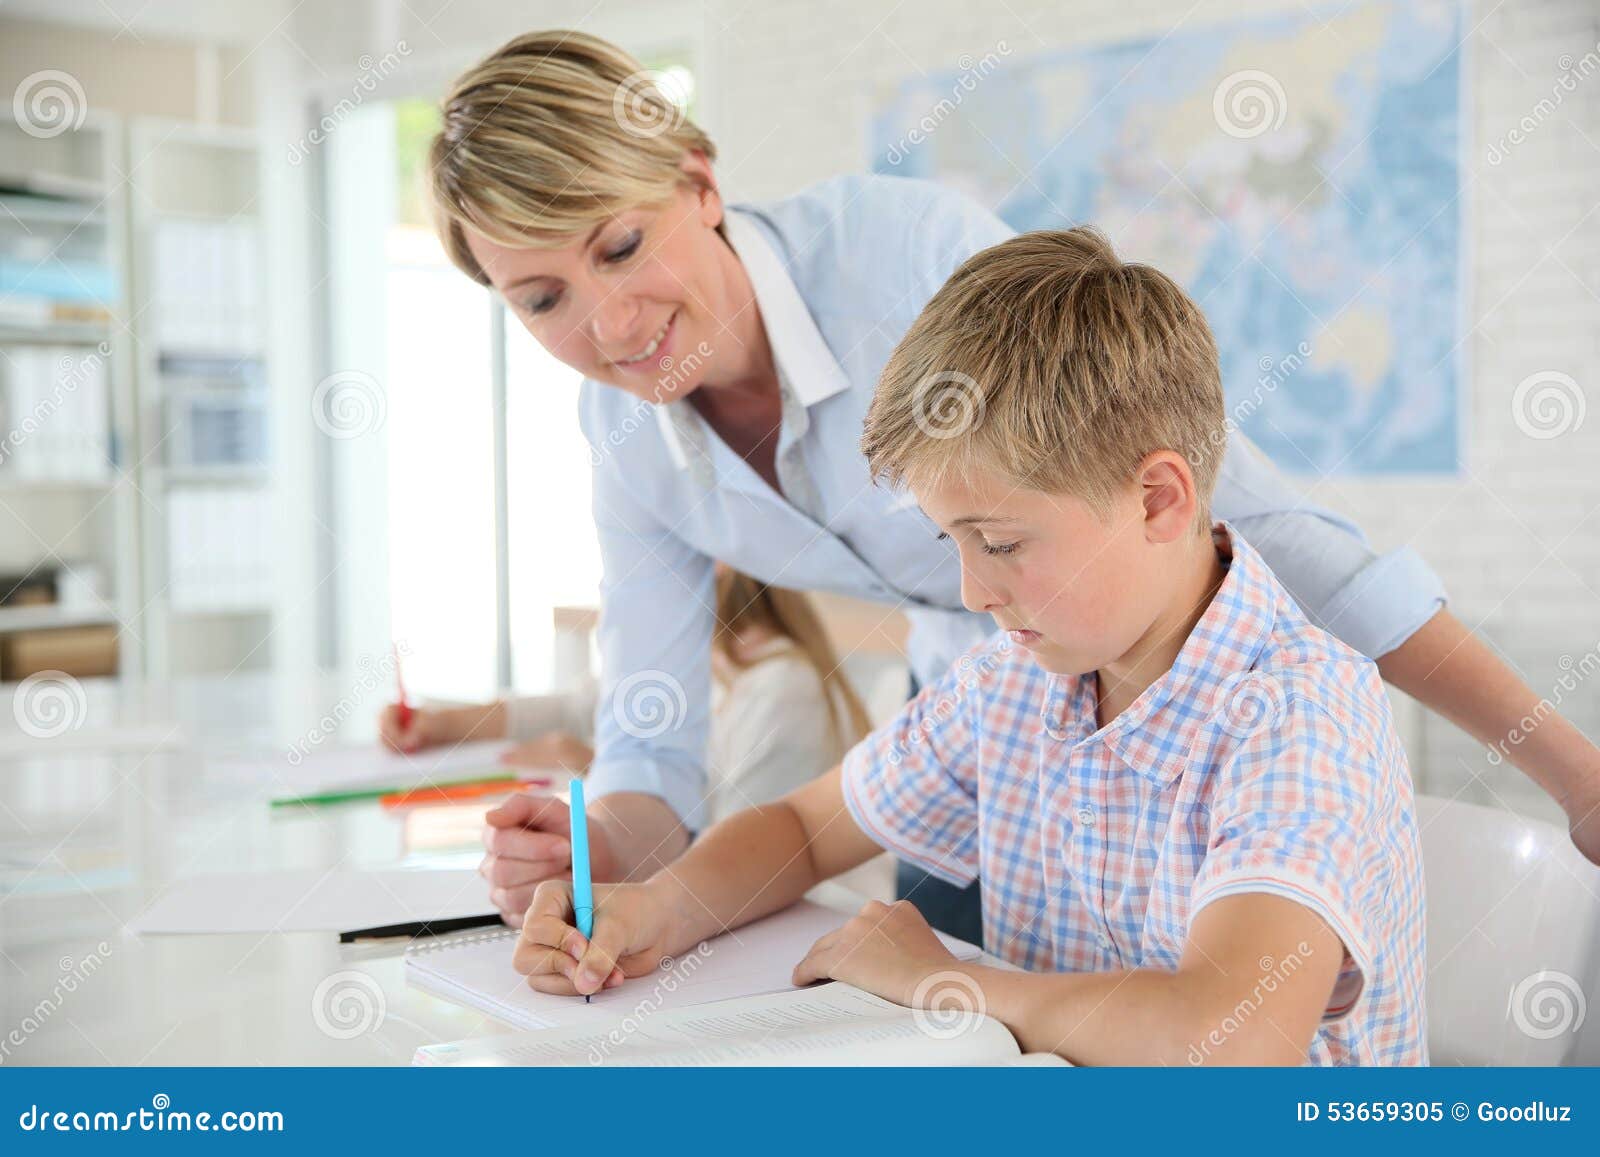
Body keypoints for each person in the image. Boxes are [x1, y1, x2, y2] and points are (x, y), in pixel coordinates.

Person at [430, 31, 1600, 938]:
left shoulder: (901, 261)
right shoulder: (625, 440)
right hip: (973, 731)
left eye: (621, 247)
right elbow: (654, 738)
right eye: (541, 299)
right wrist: (591, 859)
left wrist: (1577, 777)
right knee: (957, 1039)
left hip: (1168, 728)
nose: (609, 323)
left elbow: (1269, 529)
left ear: (697, 184)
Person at [512, 228, 1426, 1065]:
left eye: (1001, 543)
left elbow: (1227, 1039)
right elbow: (800, 827)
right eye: (952, 543)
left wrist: (943, 981)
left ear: (1158, 500)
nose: (970, 592)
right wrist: (657, 908)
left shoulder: (1299, 707)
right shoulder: (1019, 677)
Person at [379, 569, 874, 920]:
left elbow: (742, 844)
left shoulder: (782, 687)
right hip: (713, 903)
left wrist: (590, 765)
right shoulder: (697, 658)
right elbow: (574, 705)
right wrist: (442, 725)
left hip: (793, 915)